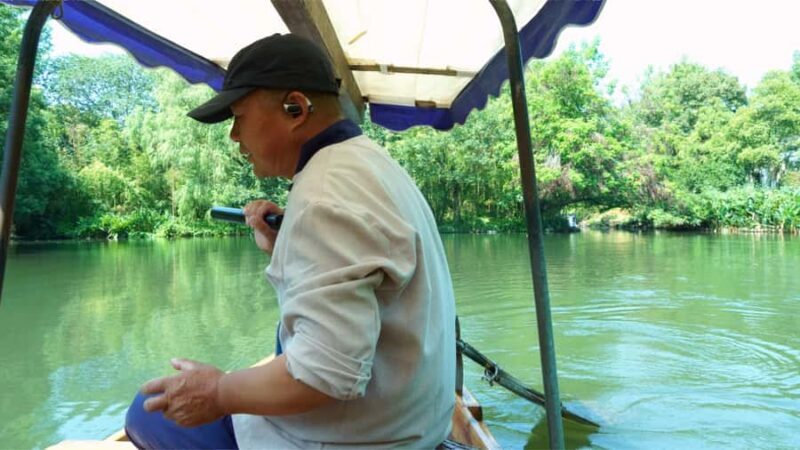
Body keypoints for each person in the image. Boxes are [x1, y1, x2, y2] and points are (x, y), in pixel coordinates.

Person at [124, 34, 457, 449]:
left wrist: (218, 392)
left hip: (367, 438)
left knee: (146, 413)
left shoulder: (324, 196)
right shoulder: (369, 162)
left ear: (294, 108)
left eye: (238, 116)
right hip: (413, 423)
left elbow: (323, 374)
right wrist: (286, 245)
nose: (233, 136)